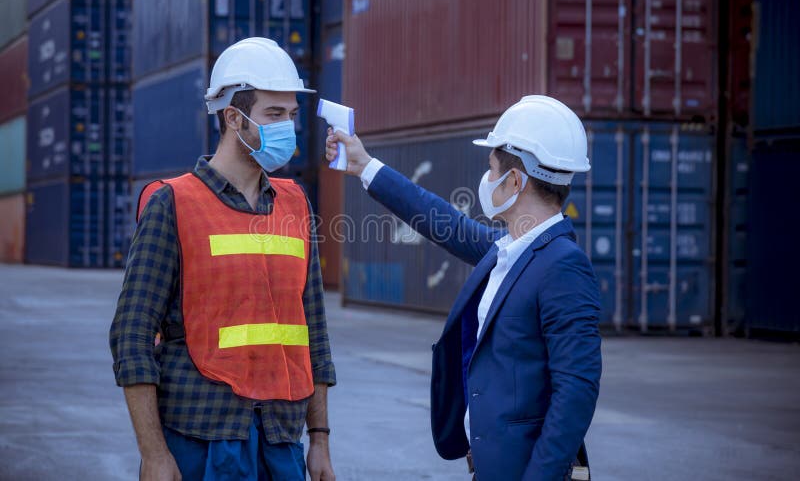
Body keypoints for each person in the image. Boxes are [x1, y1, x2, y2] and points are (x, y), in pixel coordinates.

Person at [326, 95, 602, 481]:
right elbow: (445, 223)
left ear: (515, 181)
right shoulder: (510, 248)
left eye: (491, 169)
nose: (487, 179)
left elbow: (576, 392)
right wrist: (365, 166)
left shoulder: (563, 266)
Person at [110, 38, 336, 481]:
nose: (288, 127)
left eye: (292, 115)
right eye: (274, 114)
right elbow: (131, 335)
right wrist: (154, 454)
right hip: (200, 440)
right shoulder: (173, 204)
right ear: (233, 117)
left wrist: (320, 440)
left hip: (281, 440)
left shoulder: (295, 204)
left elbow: (313, 330)